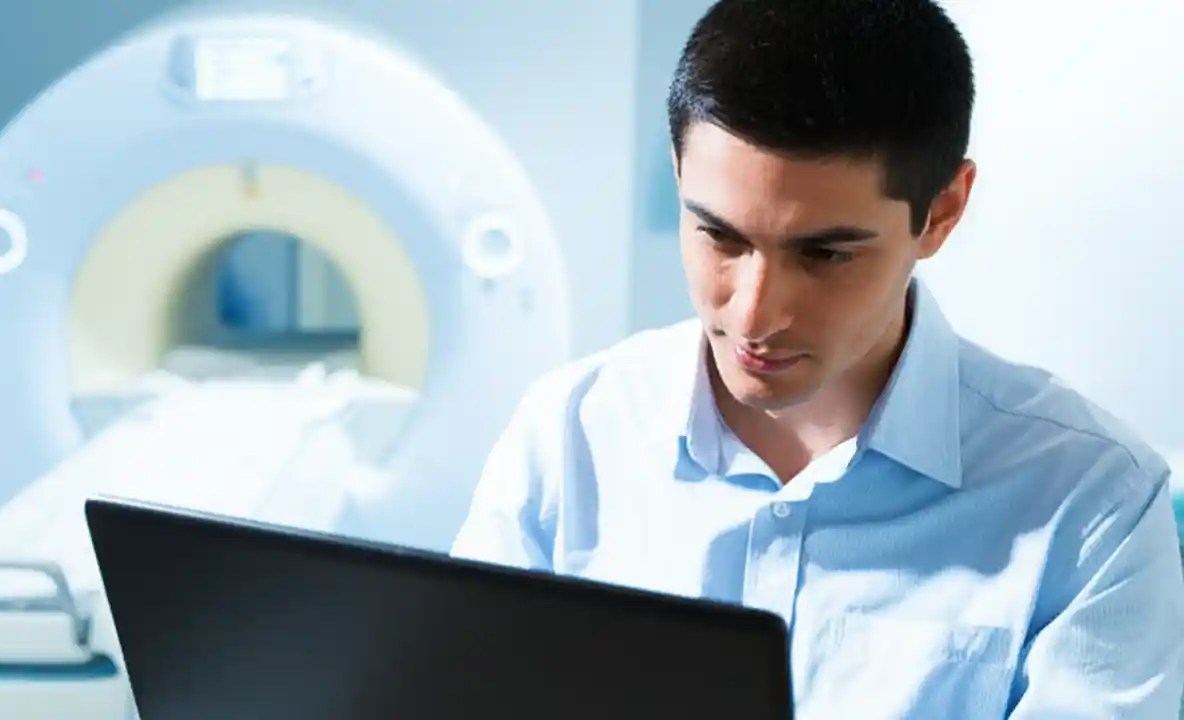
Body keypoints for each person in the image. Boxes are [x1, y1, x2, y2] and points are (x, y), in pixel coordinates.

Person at [450, 0, 1184, 717]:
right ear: (678, 171)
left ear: (943, 212)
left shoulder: (1093, 504)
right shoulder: (569, 435)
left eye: (825, 253)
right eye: (720, 237)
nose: (754, 313)